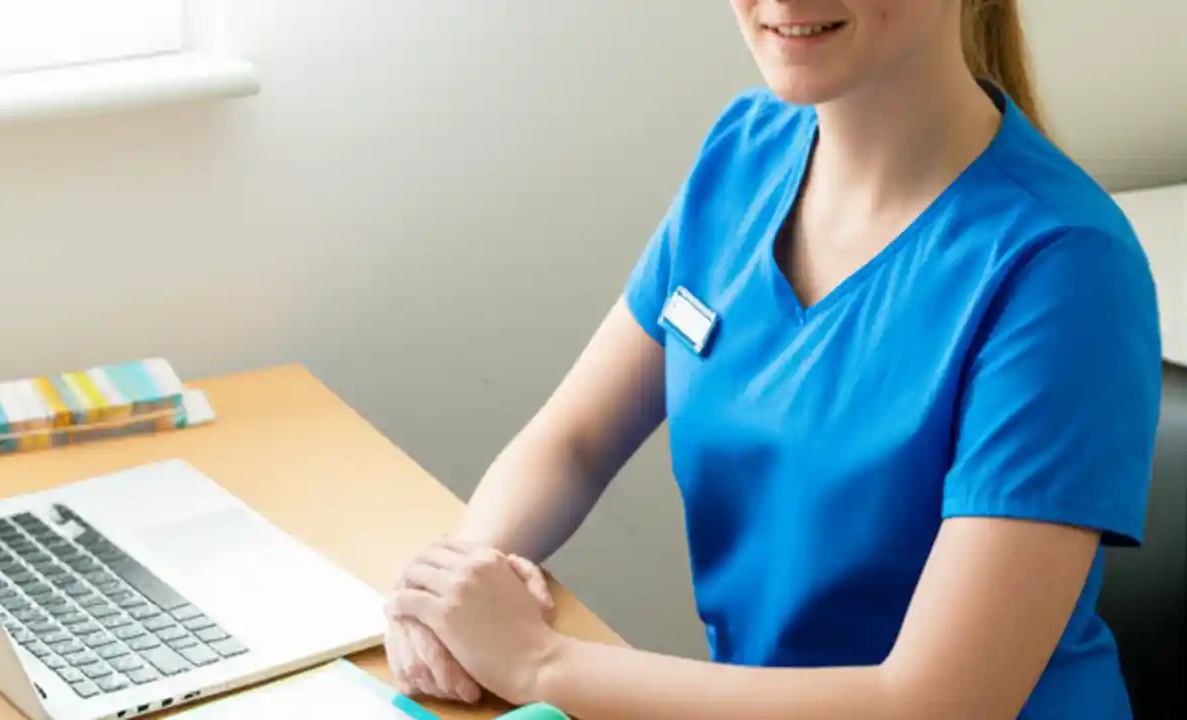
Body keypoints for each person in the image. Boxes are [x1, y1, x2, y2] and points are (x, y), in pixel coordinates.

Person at [383, 0, 1163, 717]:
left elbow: (932, 702)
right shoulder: (745, 149)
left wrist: (540, 662)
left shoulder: (1064, 270)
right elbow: (574, 442)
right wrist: (459, 586)